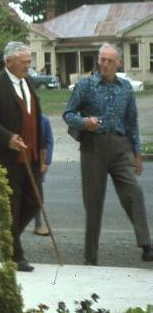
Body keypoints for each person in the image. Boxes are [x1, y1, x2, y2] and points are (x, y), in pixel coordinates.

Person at [63, 42, 153, 265]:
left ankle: (146, 245)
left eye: (109, 60)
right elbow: (68, 114)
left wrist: (137, 153)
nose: (104, 64)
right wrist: (85, 122)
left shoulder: (125, 88)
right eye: (102, 59)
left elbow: (132, 122)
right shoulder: (85, 86)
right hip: (94, 147)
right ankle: (90, 257)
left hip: (121, 148)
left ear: (118, 63)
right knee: (94, 203)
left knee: (134, 192)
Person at [0, 41, 46, 272]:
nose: (29, 65)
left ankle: (7, 236)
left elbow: (36, 117)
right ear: (9, 62)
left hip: (32, 156)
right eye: (24, 62)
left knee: (36, 201)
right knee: (10, 208)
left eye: (29, 61)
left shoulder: (28, 82)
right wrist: (8, 137)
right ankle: (15, 255)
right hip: (6, 159)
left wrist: (43, 148)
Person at [31, 113, 53, 236]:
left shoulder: (44, 120)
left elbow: (49, 141)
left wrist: (46, 161)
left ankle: (38, 224)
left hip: (39, 162)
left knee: (37, 193)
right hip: (23, 160)